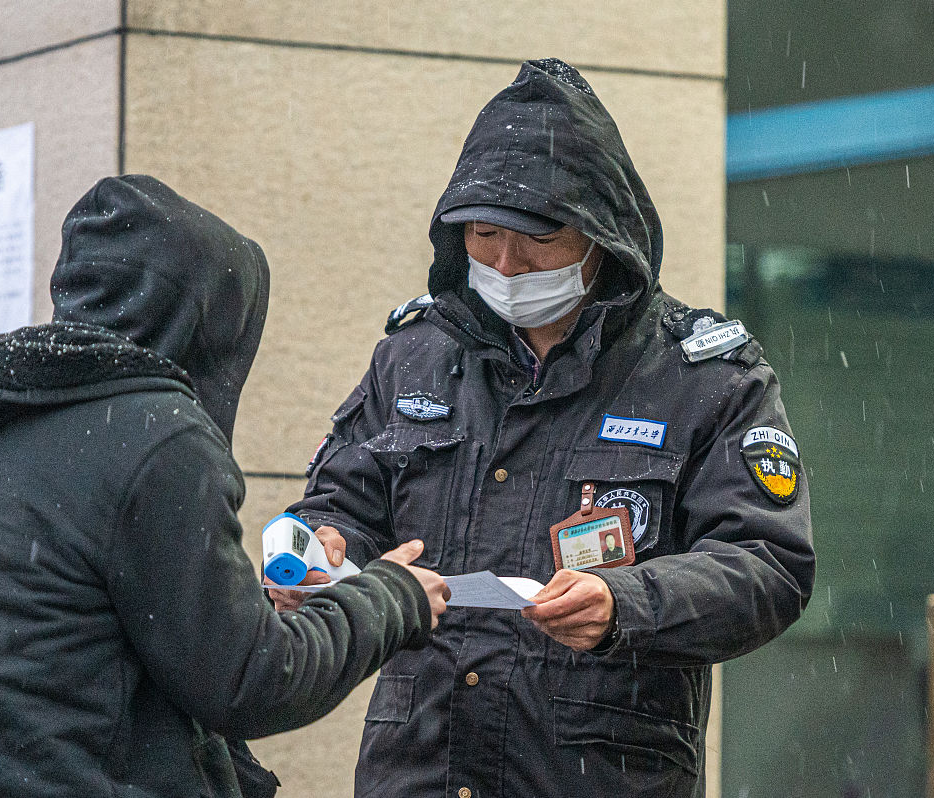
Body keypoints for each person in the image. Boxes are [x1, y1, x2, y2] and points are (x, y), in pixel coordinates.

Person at [273, 59, 815, 797]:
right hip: (420, 772)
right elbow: (340, 505)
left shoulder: (705, 379)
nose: (505, 263)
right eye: (484, 234)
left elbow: (768, 565)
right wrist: (319, 552)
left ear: (602, 235)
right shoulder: (414, 357)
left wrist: (626, 605)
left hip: (598, 775)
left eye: (537, 239)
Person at [0, 175, 450, 798]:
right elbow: (251, 681)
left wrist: (248, 612)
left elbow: (57, 633)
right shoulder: (155, 437)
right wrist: (393, 595)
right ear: (203, 324)